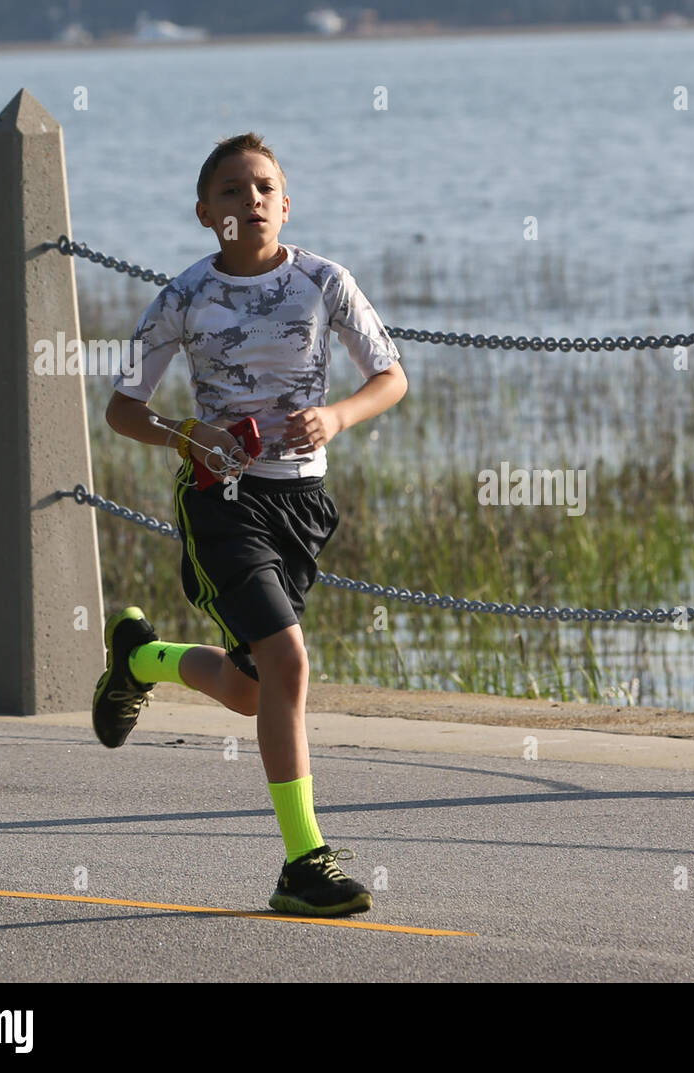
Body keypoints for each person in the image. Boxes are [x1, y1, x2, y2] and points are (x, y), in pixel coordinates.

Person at [91, 132, 407, 917]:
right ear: (205, 213)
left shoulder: (325, 283)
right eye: (232, 191)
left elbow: (391, 376)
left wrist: (335, 416)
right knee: (288, 664)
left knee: (251, 690)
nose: (251, 200)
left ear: (286, 202)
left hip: (303, 505)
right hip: (221, 504)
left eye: (265, 186)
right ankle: (303, 863)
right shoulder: (184, 297)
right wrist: (186, 433)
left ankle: (141, 659)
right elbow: (123, 410)